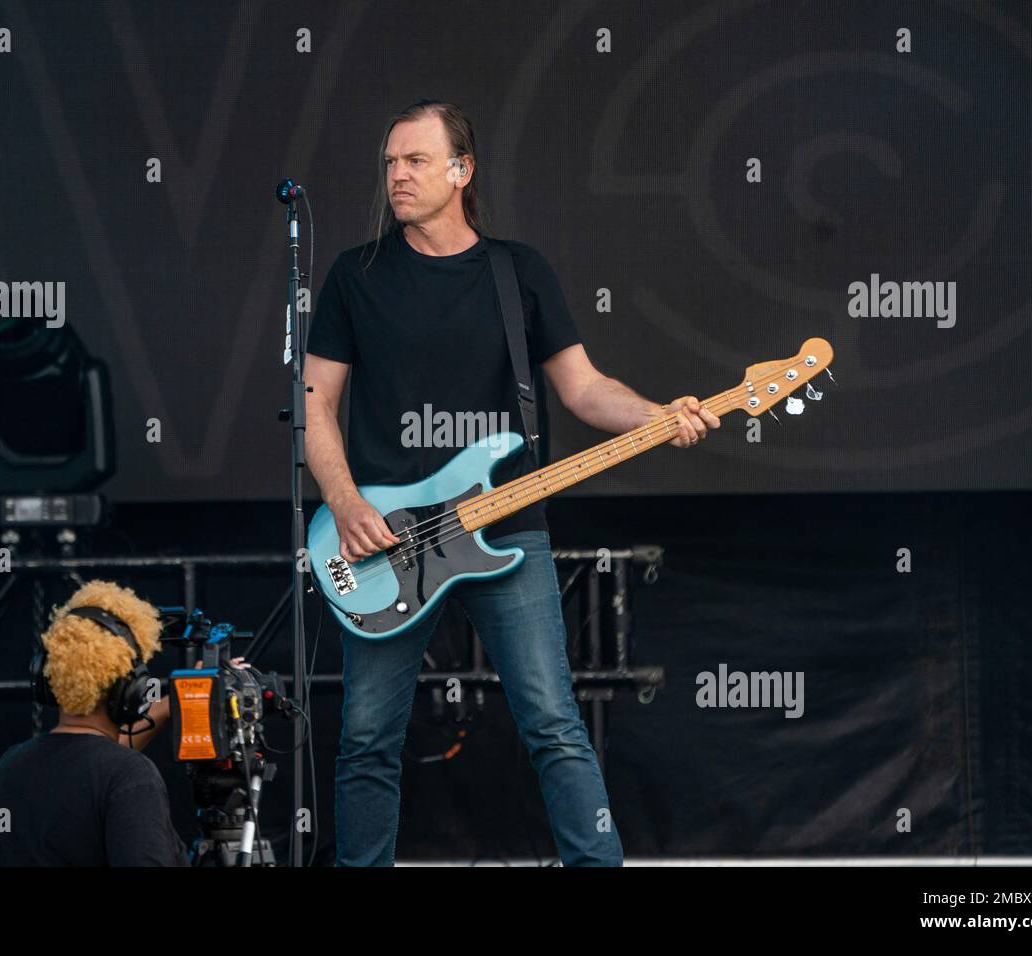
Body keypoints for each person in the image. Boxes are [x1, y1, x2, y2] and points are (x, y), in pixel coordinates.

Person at [304, 99, 720, 866]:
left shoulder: (516, 272)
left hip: (507, 526)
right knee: (366, 737)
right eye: (391, 162)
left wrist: (659, 414)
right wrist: (344, 500)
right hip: (385, 536)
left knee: (552, 721)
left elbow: (584, 388)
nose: (396, 175)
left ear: (462, 171)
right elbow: (314, 402)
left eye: (416, 160)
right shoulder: (352, 276)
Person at [0, 580, 187, 866]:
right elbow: (106, 770)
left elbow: (90, 766)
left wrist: (168, 706)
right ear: (129, 688)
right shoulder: (129, 775)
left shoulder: (10, 766)